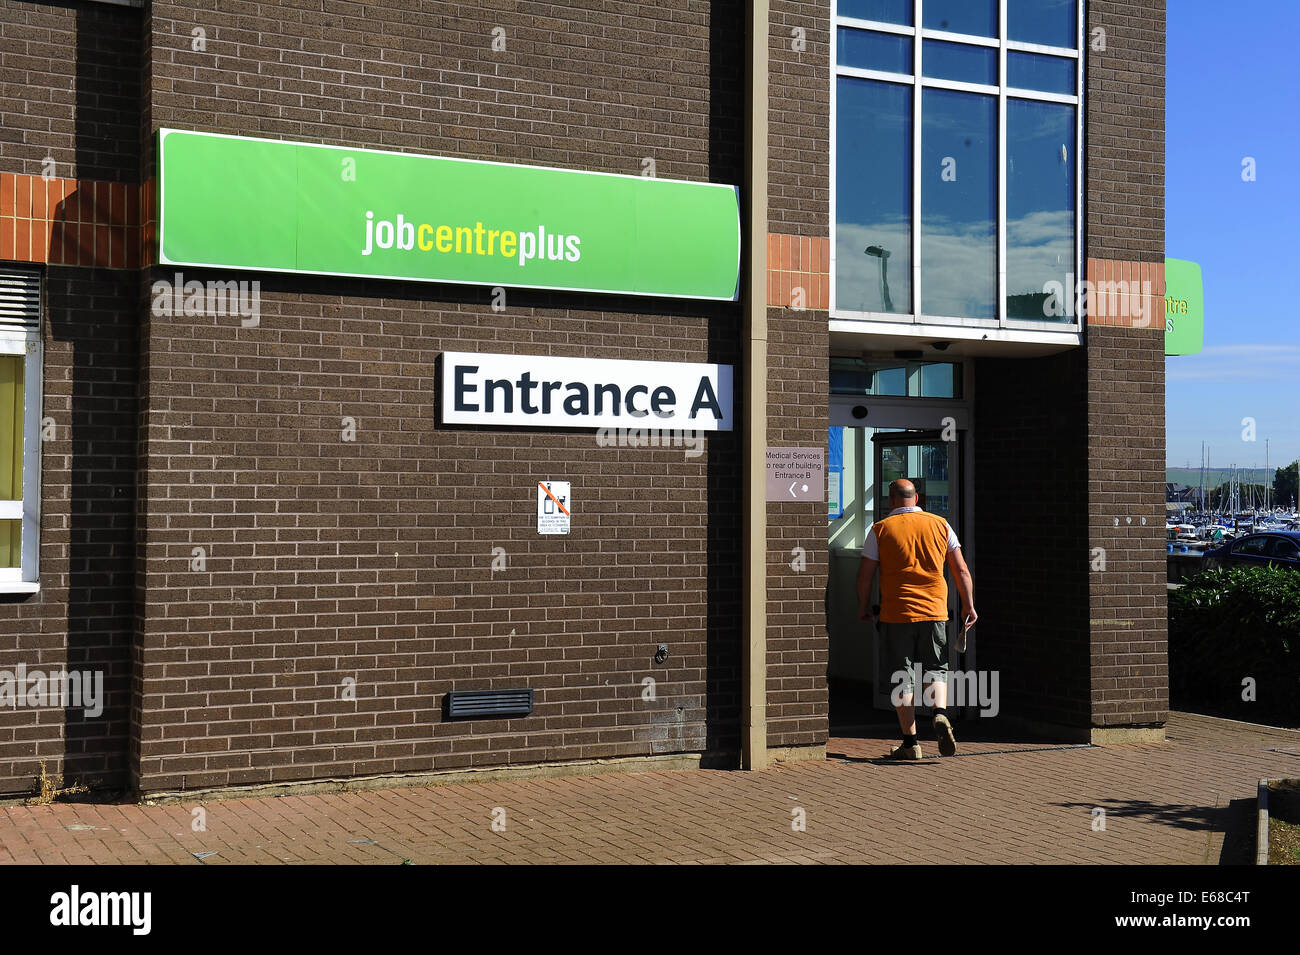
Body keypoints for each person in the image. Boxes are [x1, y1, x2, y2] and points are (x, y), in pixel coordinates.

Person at [857, 479, 976, 759]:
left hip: (896, 614)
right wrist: (968, 605)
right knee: (936, 667)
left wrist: (863, 605)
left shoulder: (880, 529)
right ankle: (939, 712)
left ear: (891, 499)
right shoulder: (940, 524)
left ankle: (910, 744)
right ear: (917, 497)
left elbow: (865, 576)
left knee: (902, 676)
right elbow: (961, 570)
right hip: (935, 610)